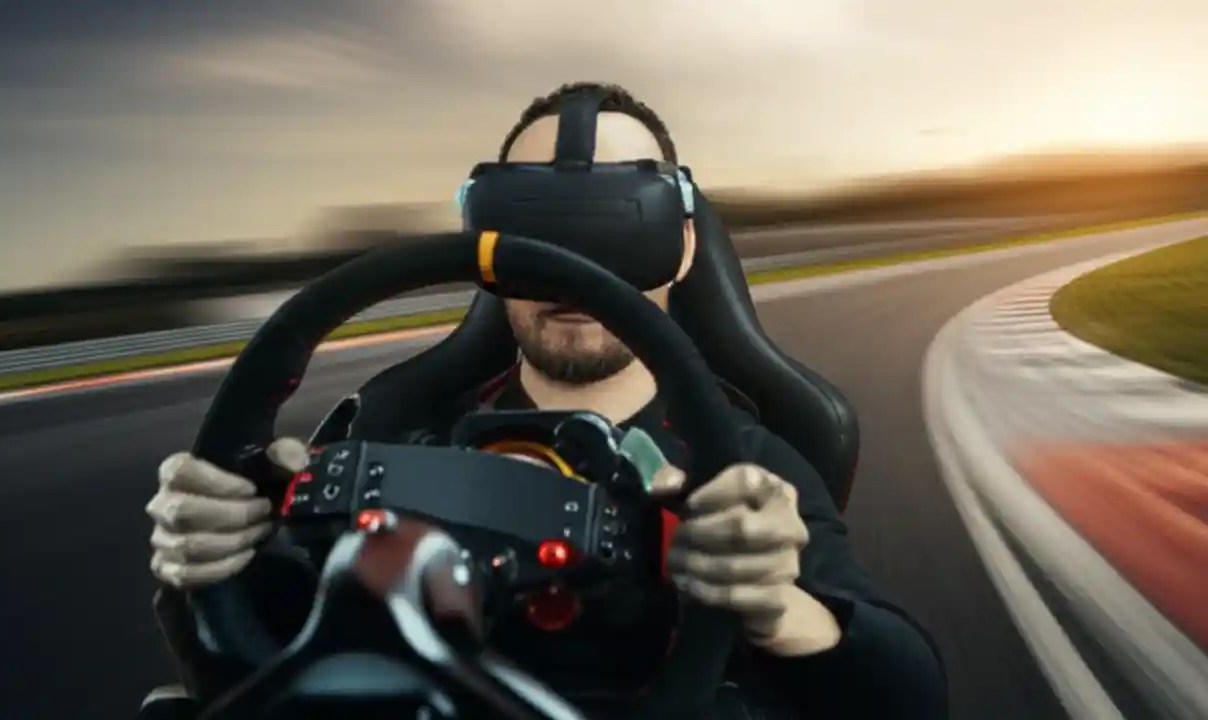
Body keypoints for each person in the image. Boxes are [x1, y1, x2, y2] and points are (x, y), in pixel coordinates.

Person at [147, 82, 948, 719]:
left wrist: (776, 604)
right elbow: (248, 672)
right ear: (492, 247)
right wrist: (221, 563)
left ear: (681, 246)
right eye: (541, 230)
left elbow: (910, 695)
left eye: (620, 223)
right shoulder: (398, 442)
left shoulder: (746, 471)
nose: (579, 268)